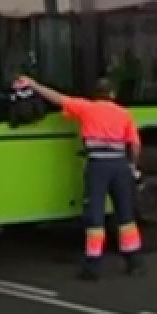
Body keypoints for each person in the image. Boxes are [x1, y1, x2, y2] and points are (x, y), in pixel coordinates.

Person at [14, 75, 145, 280]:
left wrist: (33, 84)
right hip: (119, 165)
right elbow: (135, 145)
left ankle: (93, 267)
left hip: (97, 166)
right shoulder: (124, 114)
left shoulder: (87, 108)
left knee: (95, 215)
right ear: (112, 95)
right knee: (125, 215)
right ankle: (134, 262)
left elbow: (57, 98)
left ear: (96, 95)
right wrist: (132, 165)